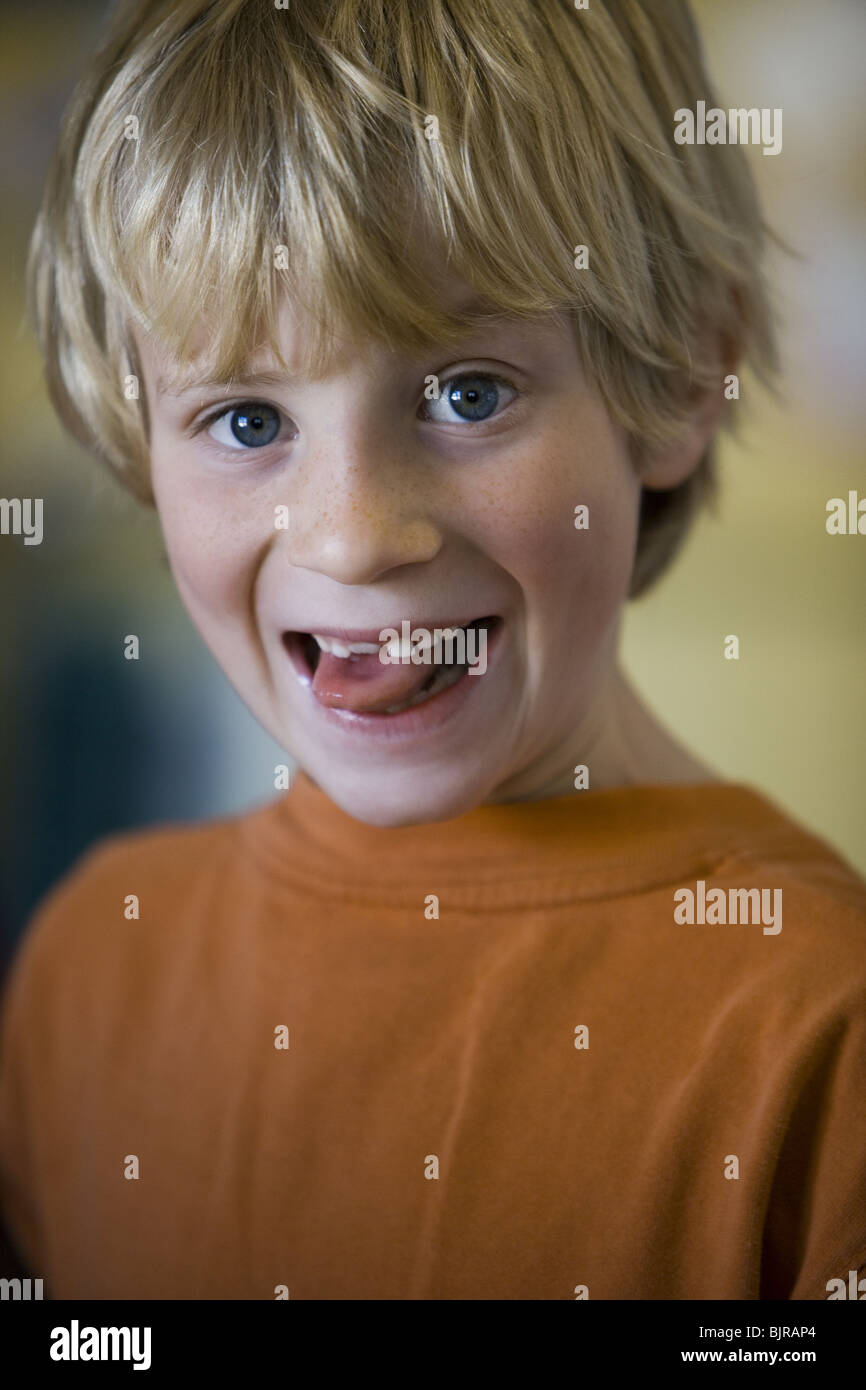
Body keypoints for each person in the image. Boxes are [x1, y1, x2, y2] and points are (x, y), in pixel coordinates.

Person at [1, 0, 863, 1300]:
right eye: (243, 419)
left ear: (688, 374)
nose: (351, 539)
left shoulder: (822, 1027)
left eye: (467, 393)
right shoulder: (87, 969)